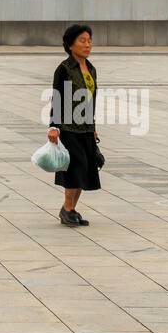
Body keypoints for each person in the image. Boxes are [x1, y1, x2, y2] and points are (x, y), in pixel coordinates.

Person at [47, 23, 102, 226]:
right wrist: (54, 127)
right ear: (71, 45)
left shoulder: (91, 69)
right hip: (68, 128)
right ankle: (67, 209)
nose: (87, 45)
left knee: (85, 169)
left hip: (85, 127)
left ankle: (70, 209)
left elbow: (91, 99)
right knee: (75, 168)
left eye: (89, 41)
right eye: (82, 41)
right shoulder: (64, 69)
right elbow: (57, 98)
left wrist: (93, 126)